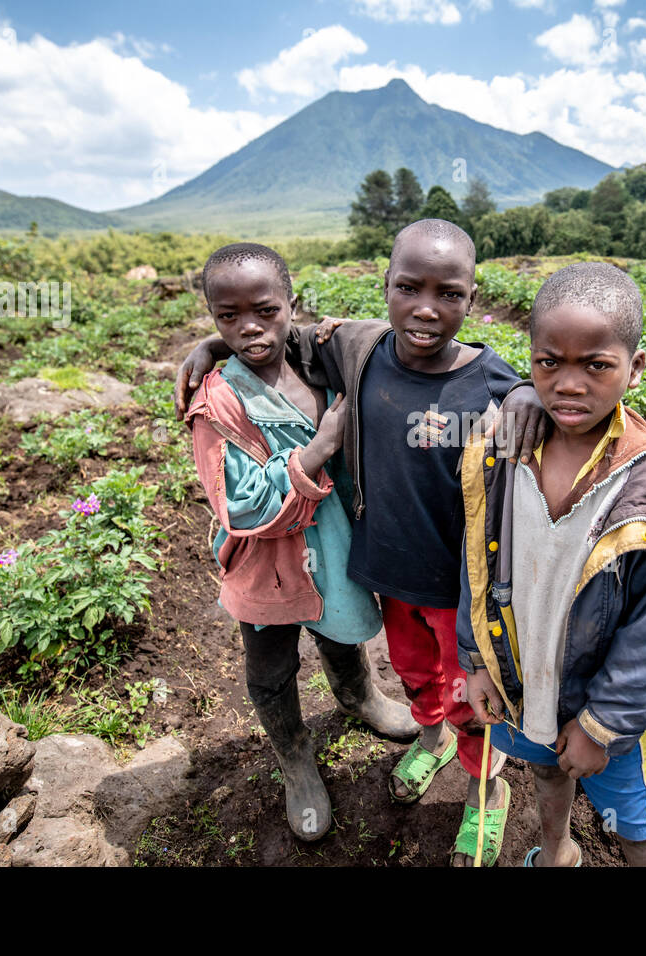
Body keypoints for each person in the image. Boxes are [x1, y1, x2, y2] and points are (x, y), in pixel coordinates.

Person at [175, 220, 547, 866]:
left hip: (459, 591)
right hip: (388, 576)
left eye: (449, 294)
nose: (426, 309)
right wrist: (212, 344)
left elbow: (534, 402)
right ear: (385, 287)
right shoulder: (363, 350)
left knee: (472, 695)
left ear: (473, 294)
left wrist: (524, 395)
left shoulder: (489, 379)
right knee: (415, 674)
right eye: (409, 287)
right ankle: (427, 739)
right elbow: (275, 330)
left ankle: (487, 791)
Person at [458, 262, 646, 867]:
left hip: (602, 701)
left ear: (635, 367)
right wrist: (478, 662)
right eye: (549, 363)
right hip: (522, 679)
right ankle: (557, 851)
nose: (570, 384)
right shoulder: (498, 455)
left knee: (634, 823)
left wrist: (602, 724)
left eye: (596, 365)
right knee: (545, 772)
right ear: (532, 358)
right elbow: (474, 568)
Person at [183, 241, 418, 843]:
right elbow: (240, 505)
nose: (248, 327)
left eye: (264, 309)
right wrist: (317, 449)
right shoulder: (218, 402)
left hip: (333, 545)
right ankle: (295, 761)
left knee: (339, 630)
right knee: (269, 665)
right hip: (268, 565)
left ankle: (359, 697)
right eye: (226, 317)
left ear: (292, 302)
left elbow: (392, 333)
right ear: (210, 314)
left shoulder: (317, 357)